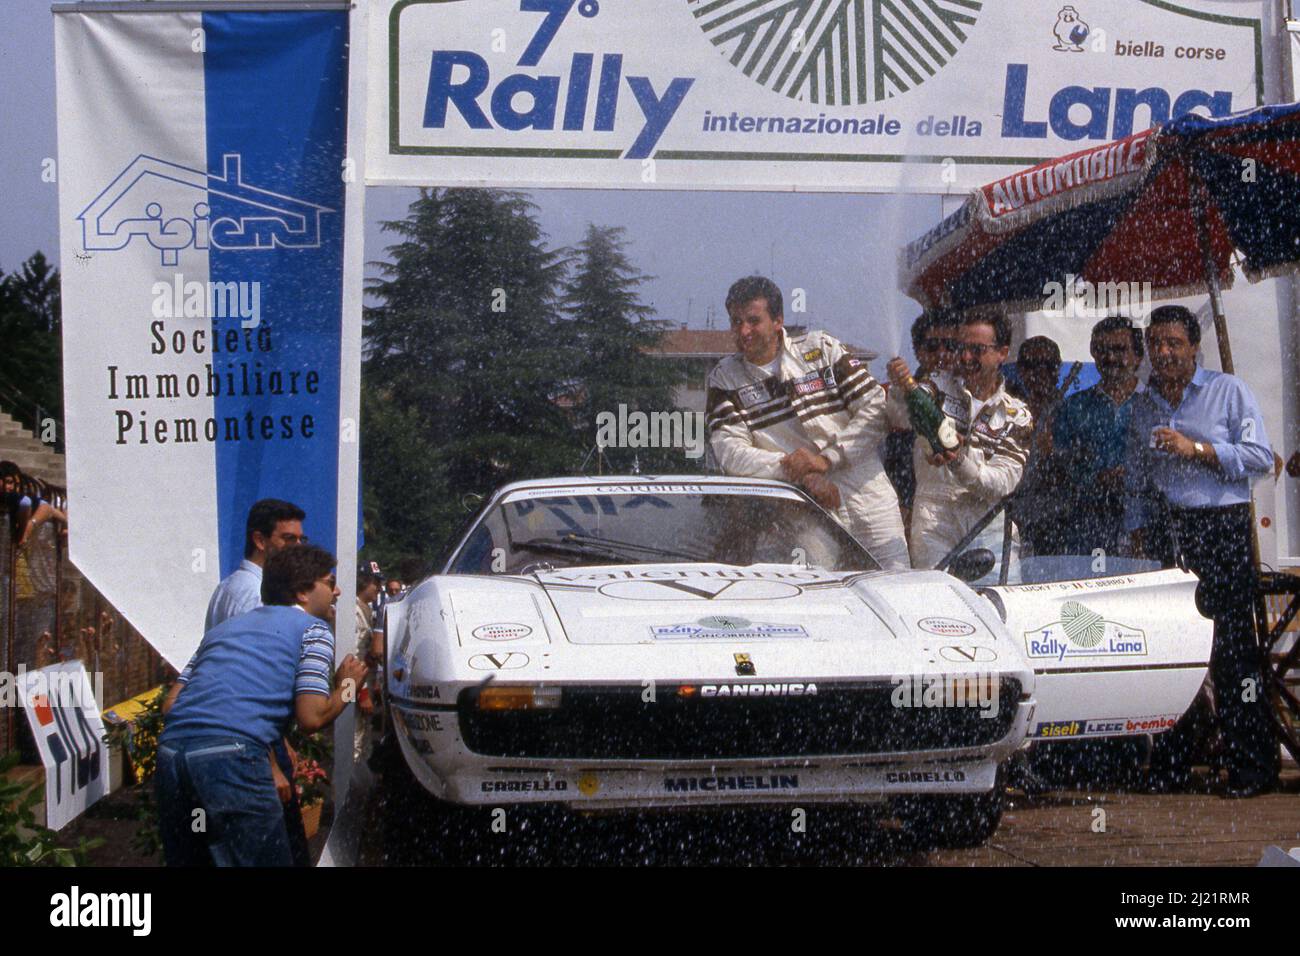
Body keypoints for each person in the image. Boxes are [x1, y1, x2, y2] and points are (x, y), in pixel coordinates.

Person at [1123, 305, 1278, 797]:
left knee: (1233, 655)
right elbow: (1136, 476)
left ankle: (1252, 768)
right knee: (1173, 652)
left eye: (1173, 343)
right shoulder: (1144, 404)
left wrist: (1200, 450)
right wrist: (1136, 529)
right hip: (1169, 531)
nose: (1164, 353)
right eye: (1156, 344)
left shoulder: (1227, 391)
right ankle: (1172, 766)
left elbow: (1259, 459)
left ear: (1193, 347)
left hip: (1220, 529)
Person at [156, 545, 367, 865]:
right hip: (232, 763)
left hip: (172, 758)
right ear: (302, 593)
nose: (337, 591)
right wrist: (349, 685)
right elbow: (312, 718)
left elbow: (171, 706)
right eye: (329, 581)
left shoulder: (223, 631)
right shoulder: (314, 630)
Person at [705, 275, 909, 570]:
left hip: (867, 494)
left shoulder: (821, 349)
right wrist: (797, 473)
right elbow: (729, 452)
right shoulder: (724, 378)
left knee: (896, 583)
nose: (743, 331)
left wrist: (826, 459)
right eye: (735, 322)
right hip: (803, 505)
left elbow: (875, 409)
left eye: (753, 320)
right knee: (818, 595)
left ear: (778, 321)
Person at [163, 497, 311, 863]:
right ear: (260, 540)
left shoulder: (229, 587)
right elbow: (247, 685)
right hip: (245, 747)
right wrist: (271, 763)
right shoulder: (252, 594)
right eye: (287, 539)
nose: (296, 548)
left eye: (299, 540)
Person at [887, 311, 1034, 570]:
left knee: (1000, 603)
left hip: (988, 520)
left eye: (977, 350)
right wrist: (901, 387)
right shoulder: (937, 385)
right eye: (962, 348)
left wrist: (959, 462)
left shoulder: (1017, 415)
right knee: (938, 602)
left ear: (1002, 353)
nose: (966, 358)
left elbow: (1002, 483)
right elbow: (899, 418)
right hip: (935, 517)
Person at [1052, 317, 1145, 554]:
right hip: (1088, 524)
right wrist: (1094, 477)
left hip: (1145, 523)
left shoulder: (1155, 404)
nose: (1111, 358)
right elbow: (1057, 465)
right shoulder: (1074, 406)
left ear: (1138, 356)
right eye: (1103, 350)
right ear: (1093, 353)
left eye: (1119, 350)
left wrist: (1132, 475)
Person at [882, 310, 961, 531]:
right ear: (917, 351)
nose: (942, 354)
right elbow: (901, 422)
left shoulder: (971, 391)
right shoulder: (901, 395)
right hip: (924, 512)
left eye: (950, 346)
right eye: (933, 346)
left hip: (968, 508)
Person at [1011, 336, 1068, 555]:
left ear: (1057, 368)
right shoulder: (1008, 410)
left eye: (1048, 364)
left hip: (1055, 519)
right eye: (1031, 364)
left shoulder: (1070, 411)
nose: (1040, 371)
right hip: (1014, 515)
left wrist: (1053, 454)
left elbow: (1079, 469)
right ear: (1021, 369)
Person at [1, 460, 67, 550]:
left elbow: (47, 508)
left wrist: (28, 527)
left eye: (16, 484)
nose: (12, 488)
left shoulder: (17, 498)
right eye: (8, 482)